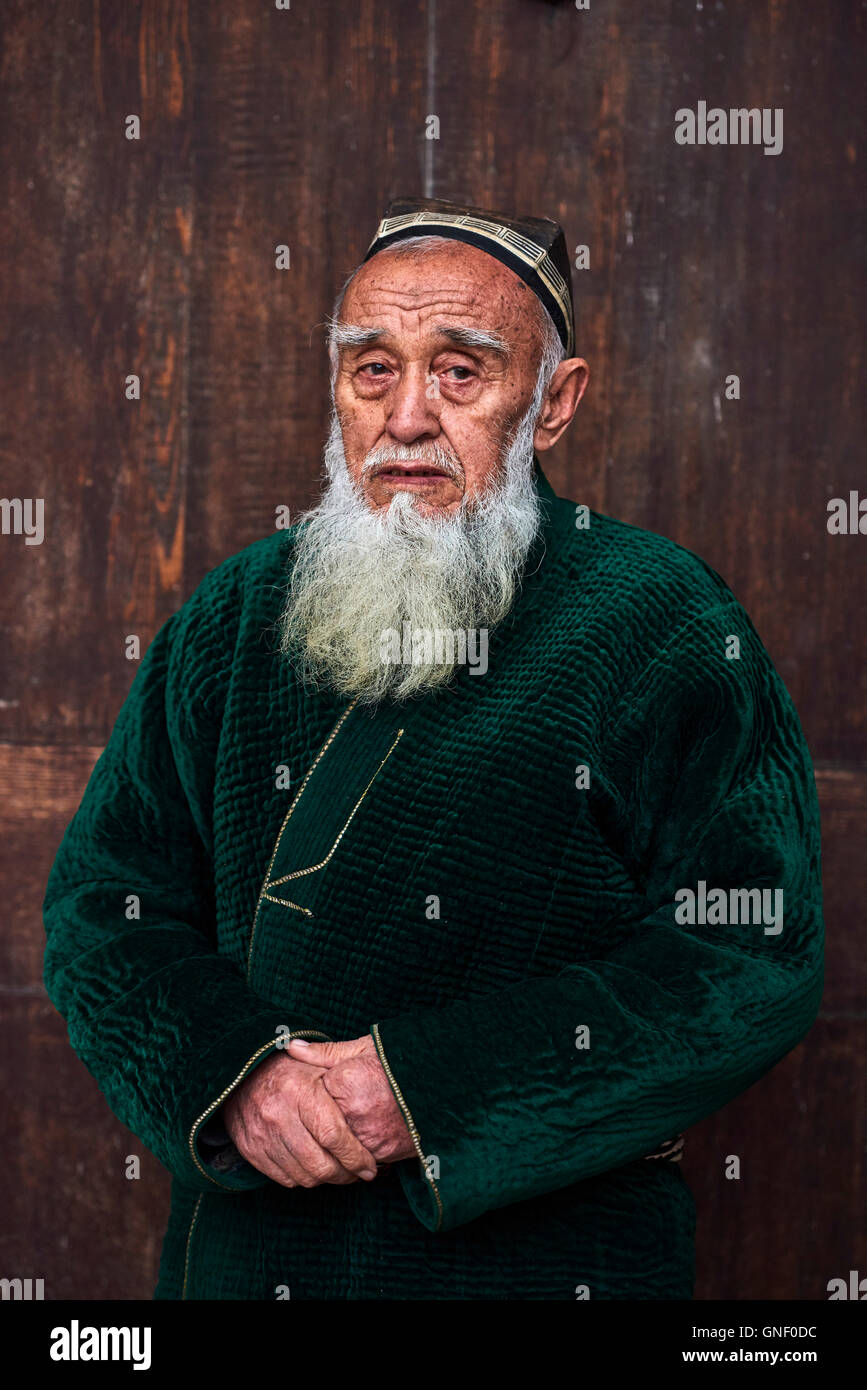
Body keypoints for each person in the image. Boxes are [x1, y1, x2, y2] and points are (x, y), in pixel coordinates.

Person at [43, 195, 823, 1300]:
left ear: (554, 402)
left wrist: (420, 1090)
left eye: (461, 371)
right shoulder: (234, 615)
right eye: (372, 370)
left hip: (544, 1267)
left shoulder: (665, 622)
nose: (407, 416)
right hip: (244, 1262)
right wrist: (237, 1078)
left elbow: (749, 953)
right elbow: (101, 903)